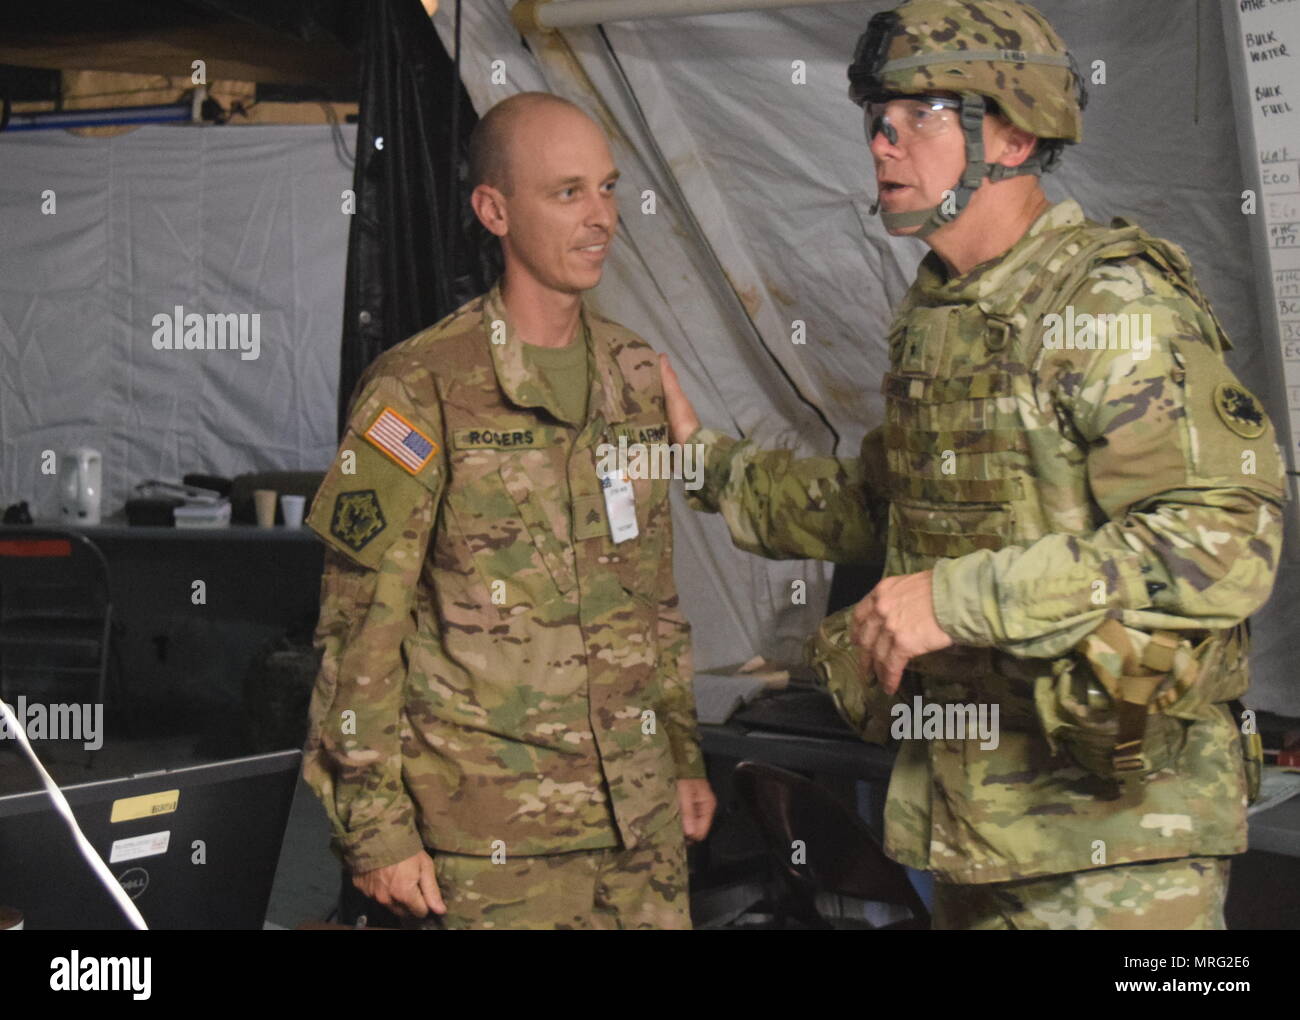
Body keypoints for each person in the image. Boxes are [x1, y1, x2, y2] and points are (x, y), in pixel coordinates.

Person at [660, 0, 1285, 929]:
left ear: (1016, 134)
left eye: (919, 116)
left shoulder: (1110, 303)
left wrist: (955, 599)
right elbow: (886, 505)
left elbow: (1223, 538)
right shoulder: (945, 311)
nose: (881, 143)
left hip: (1117, 847)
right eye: (877, 117)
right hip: (981, 823)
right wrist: (705, 466)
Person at [304, 91, 716, 930]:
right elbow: (358, 628)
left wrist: (679, 753)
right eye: (568, 193)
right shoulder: (415, 390)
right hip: (490, 845)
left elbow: (652, 597)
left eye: (607, 189)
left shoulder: (636, 376)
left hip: (639, 834)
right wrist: (375, 827)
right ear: (493, 210)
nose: (601, 216)